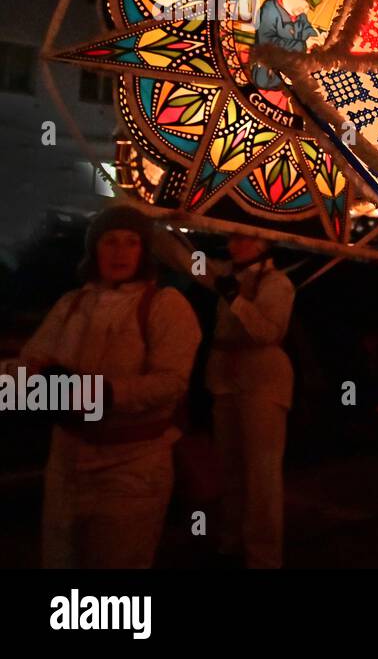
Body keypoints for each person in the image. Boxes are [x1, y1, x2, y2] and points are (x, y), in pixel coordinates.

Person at [1, 205, 201, 568]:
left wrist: (101, 394)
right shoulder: (72, 304)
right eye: (110, 241)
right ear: (94, 250)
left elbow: (170, 383)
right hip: (66, 464)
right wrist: (14, 382)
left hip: (131, 470)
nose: (120, 252)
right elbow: (33, 363)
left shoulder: (165, 306)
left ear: (144, 251)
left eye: (131, 242)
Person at [204, 233, 296, 568]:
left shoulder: (278, 284)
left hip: (263, 382)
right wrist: (156, 227)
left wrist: (236, 300)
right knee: (230, 466)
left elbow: (268, 333)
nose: (232, 245)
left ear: (262, 244)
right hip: (225, 380)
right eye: (230, 238)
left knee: (261, 473)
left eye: (241, 240)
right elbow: (189, 264)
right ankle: (231, 542)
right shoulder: (225, 274)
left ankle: (263, 557)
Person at [251, 0, 323, 90]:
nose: (305, 11)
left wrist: (315, 37)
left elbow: (307, 29)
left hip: (292, 69)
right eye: (305, 6)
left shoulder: (300, 14)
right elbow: (267, 43)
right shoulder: (269, 10)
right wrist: (303, 45)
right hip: (268, 74)